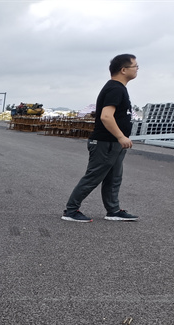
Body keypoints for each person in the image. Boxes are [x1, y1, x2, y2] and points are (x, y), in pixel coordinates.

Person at [62, 54, 139, 222]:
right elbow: (106, 116)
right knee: (93, 177)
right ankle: (71, 210)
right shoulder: (115, 89)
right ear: (123, 70)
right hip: (106, 142)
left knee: (114, 178)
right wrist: (121, 136)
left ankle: (113, 210)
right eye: (135, 66)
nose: (137, 69)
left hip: (114, 144)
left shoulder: (119, 88)